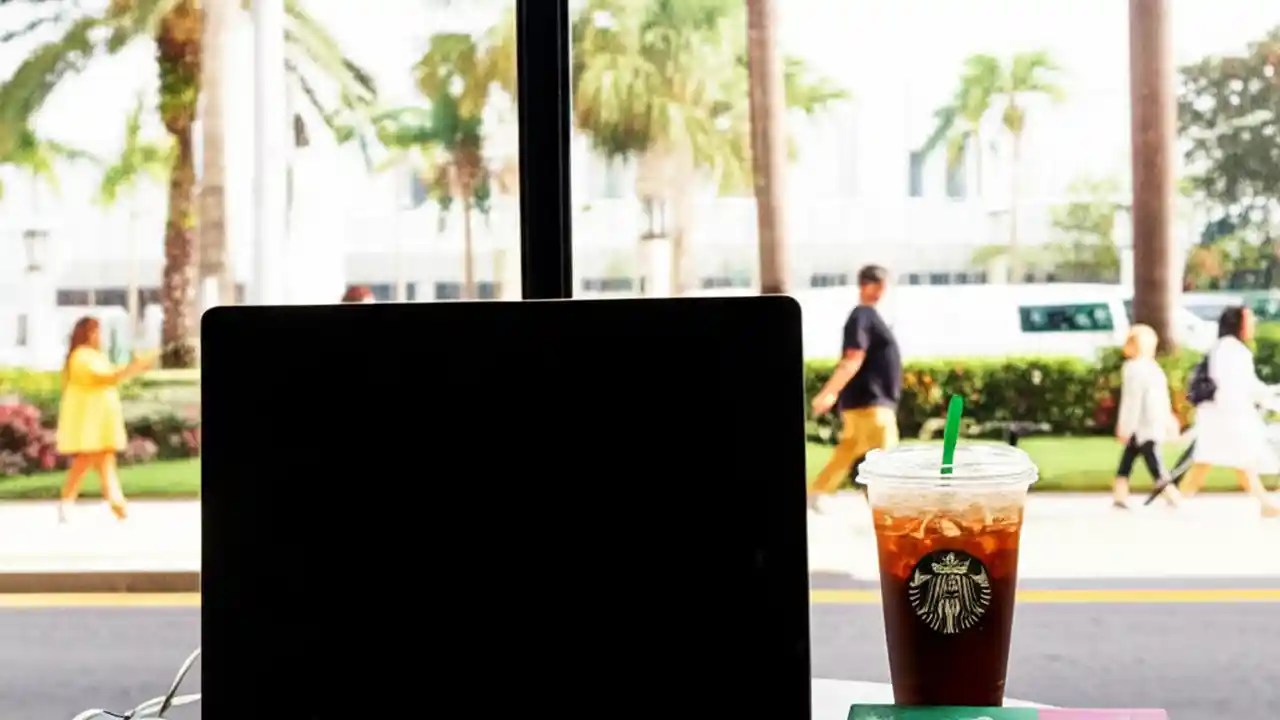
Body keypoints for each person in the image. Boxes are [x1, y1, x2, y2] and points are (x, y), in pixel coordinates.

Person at [810, 265, 902, 507]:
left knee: (849, 449)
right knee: (886, 453)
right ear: (866, 285)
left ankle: (817, 492)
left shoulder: (868, 316)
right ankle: (886, 502)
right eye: (879, 285)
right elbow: (853, 358)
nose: (883, 291)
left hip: (865, 403)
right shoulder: (863, 315)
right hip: (871, 402)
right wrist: (829, 393)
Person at [1179, 307, 1280, 517]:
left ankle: (1177, 499)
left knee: (1213, 462)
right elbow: (1237, 387)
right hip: (1227, 417)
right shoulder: (1232, 351)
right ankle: (1265, 504)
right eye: (1249, 320)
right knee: (1239, 460)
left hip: (1220, 417)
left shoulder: (1227, 348)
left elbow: (1246, 385)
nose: (1253, 325)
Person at [56, 317, 156, 523]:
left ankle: (116, 505)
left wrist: (135, 367)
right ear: (86, 334)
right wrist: (133, 367)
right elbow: (105, 377)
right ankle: (75, 502)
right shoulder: (81, 357)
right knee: (86, 460)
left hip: (98, 418)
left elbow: (111, 375)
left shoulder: (93, 356)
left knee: (103, 461)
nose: (99, 336)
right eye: (95, 332)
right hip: (90, 420)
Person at [1112, 324, 1182, 509]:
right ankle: (1120, 495)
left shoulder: (1132, 368)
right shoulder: (1154, 369)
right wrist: (1168, 421)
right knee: (1128, 460)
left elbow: (1131, 401)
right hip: (1152, 423)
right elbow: (1163, 399)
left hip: (1141, 426)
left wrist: (1125, 426)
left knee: (1152, 463)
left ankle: (1169, 493)